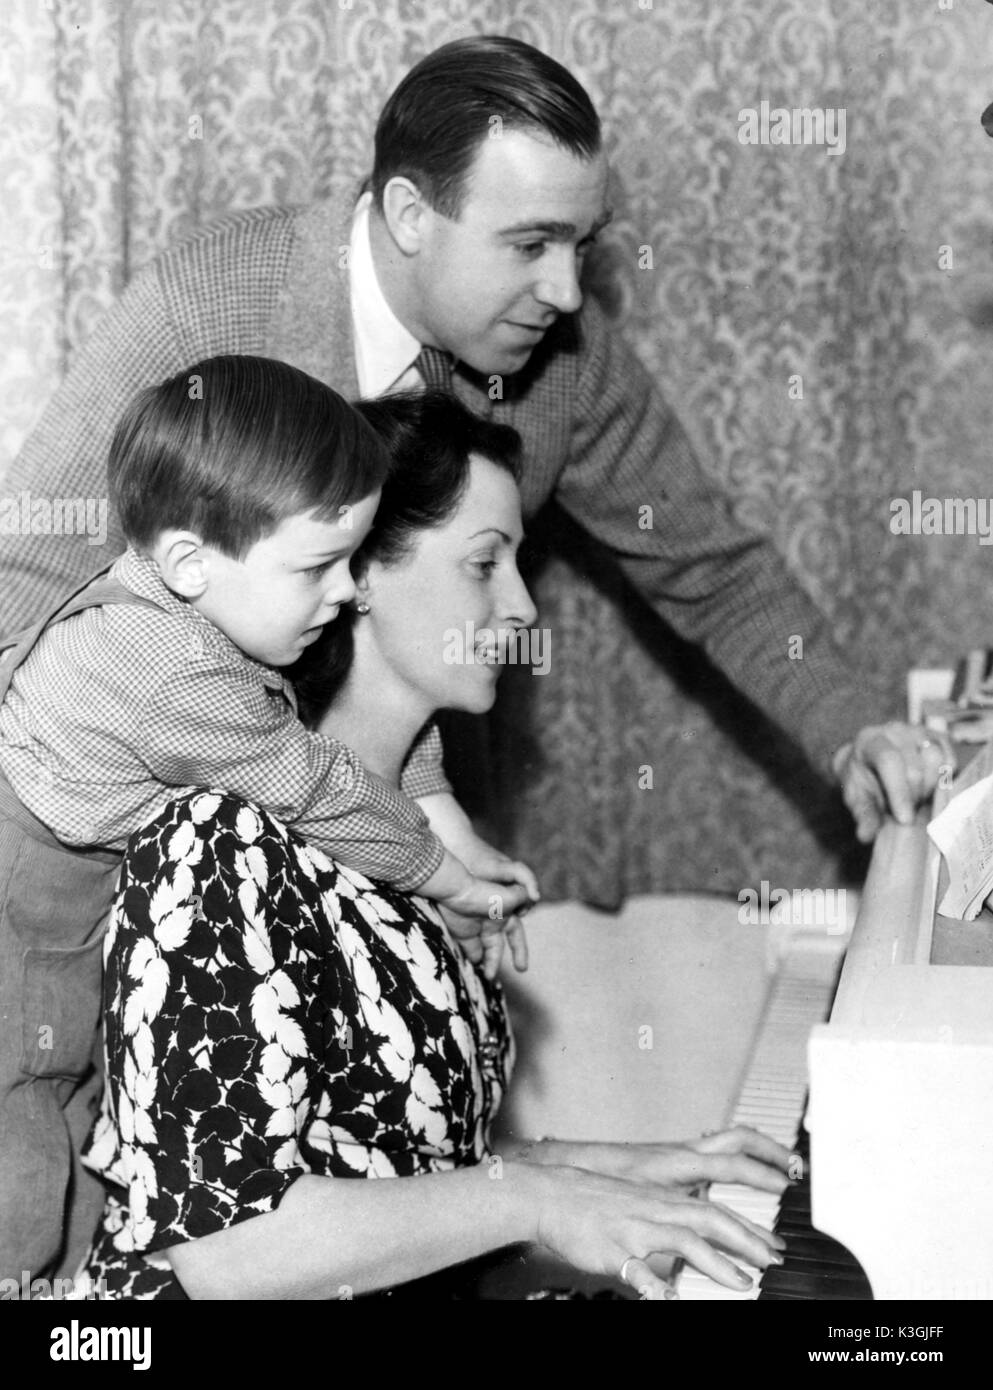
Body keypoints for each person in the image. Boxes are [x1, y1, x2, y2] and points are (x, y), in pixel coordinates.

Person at [0, 34, 949, 855]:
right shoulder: (207, 304)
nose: (569, 292)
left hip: (407, 832)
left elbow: (708, 564)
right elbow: (29, 577)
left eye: (583, 243)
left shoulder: (561, 358)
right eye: (530, 244)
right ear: (412, 214)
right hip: (163, 859)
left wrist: (850, 727)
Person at [78, 390, 793, 1300]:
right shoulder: (221, 845)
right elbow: (232, 1249)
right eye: (484, 564)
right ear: (358, 572)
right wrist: (535, 1197)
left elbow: (386, 1160)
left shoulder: (415, 841)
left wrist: (611, 1169)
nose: (523, 607)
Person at [0, 357, 532, 1286]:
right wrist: (443, 873)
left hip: (66, 919)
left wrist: (440, 819)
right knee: (22, 1154)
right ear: (189, 563)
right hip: (21, 928)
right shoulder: (178, 681)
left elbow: (339, 751)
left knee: (75, 1138)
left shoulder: (204, 614)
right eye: (324, 566)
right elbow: (314, 782)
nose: (341, 592)